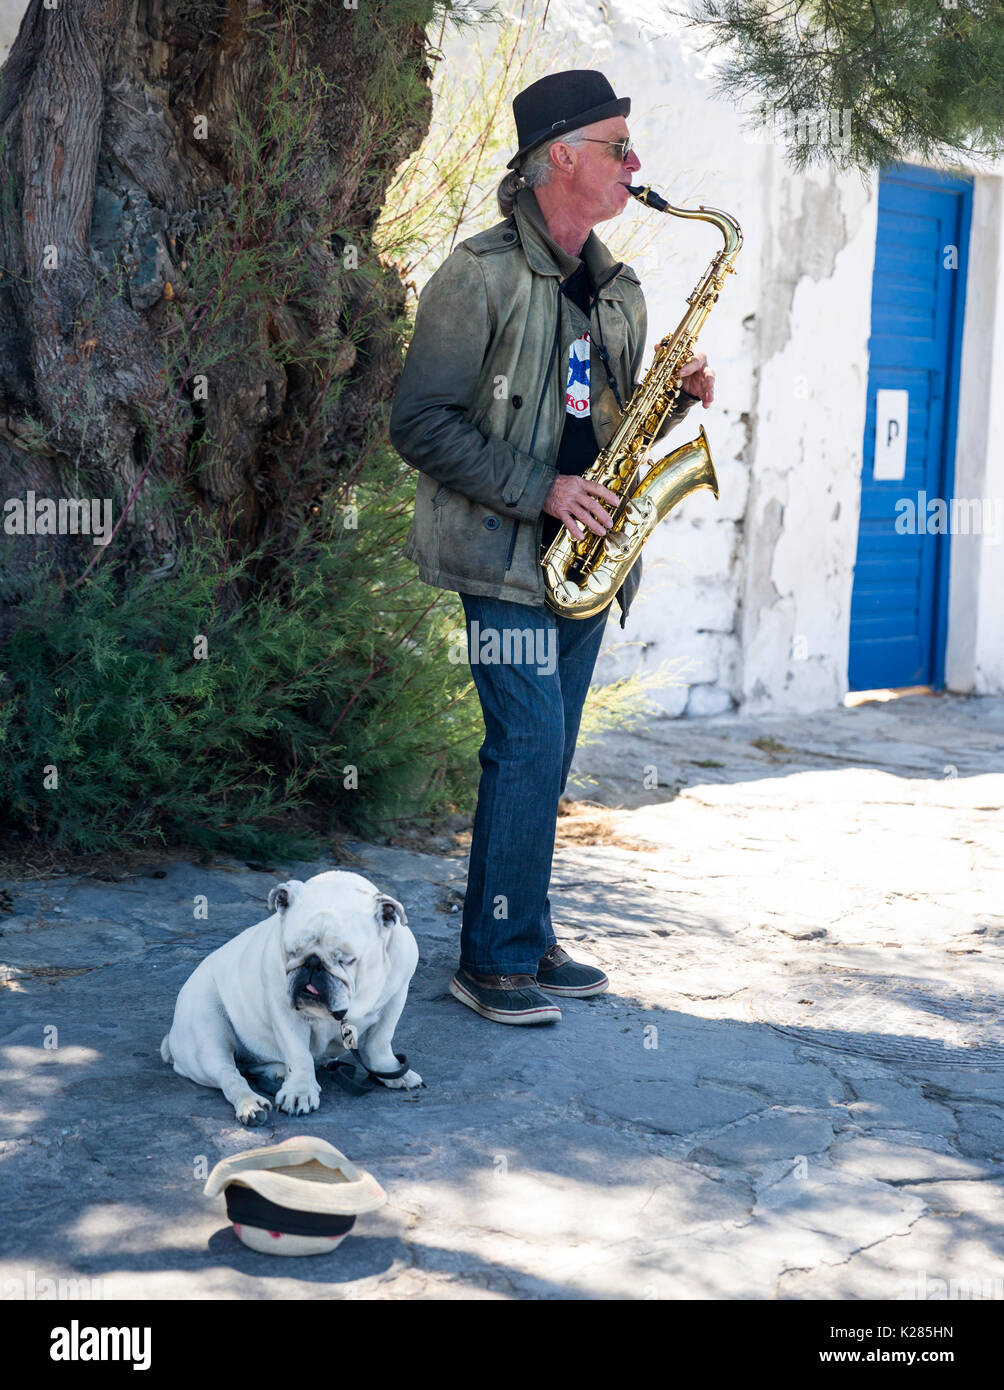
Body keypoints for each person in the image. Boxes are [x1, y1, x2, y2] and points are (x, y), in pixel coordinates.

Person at [389, 70, 716, 1026]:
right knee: (528, 741)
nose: (636, 163)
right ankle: (490, 961)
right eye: (618, 144)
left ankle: (522, 932)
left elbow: (603, 438)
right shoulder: (478, 274)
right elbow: (419, 422)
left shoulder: (621, 294)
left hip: (583, 562)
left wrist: (672, 403)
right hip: (499, 553)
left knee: (552, 750)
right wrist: (542, 490)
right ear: (557, 159)